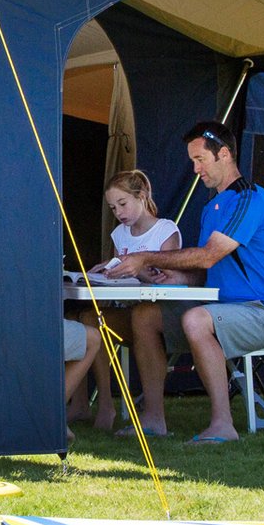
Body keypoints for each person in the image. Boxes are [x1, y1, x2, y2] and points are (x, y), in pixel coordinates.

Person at [106, 120, 264, 443]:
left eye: (200, 160)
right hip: (217, 309)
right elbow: (203, 271)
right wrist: (174, 276)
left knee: (195, 319)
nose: (195, 169)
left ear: (225, 154)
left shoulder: (250, 198)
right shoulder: (210, 208)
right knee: (144, 316)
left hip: (262, 313)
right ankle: (154, 419)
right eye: (192, 161)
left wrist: (147, 258)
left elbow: (208, 256)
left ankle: (223, 425)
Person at [0, 228, 98, 443]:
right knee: (92, 338)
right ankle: (51, 417)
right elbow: (33, 294)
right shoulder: (17, 237)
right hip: (13, 333)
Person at [72, 170, 181, 430]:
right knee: (89, 319)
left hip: (161, 314)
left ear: (141, 197)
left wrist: (139, 269)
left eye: (123, 204)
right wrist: (107, 271)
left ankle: (153, 415)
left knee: (142, 315)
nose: (119, 212)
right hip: (130, 310)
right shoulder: (119, 234)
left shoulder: (166, 230)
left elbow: (170, 279)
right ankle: (104, 405)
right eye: (113, 207)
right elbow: (119, 271)